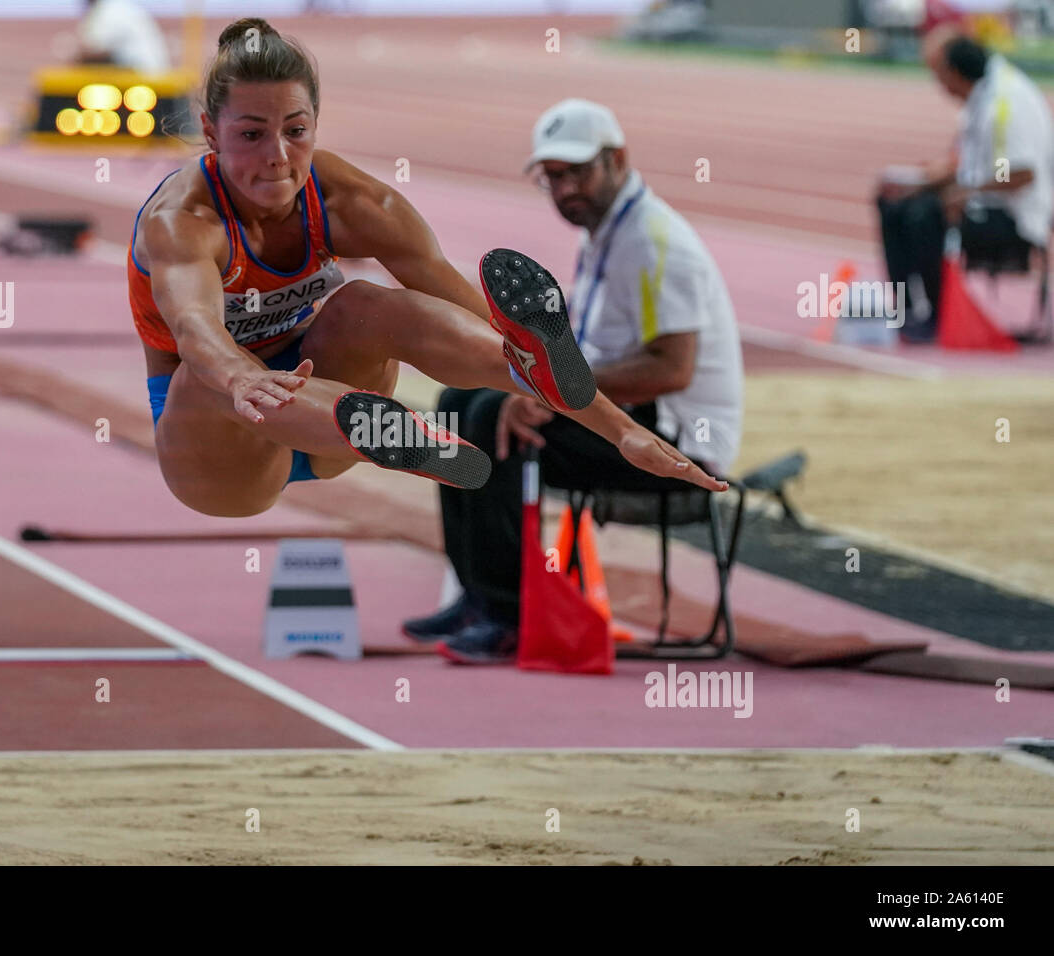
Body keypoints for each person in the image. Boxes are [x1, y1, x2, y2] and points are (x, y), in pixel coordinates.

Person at [129, 20, 726, 519]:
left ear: (315, 124)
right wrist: (240, 376)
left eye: (296, 131)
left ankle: (401, 428)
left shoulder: (352, 203)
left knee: (369, 305)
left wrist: (622, 432)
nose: (278, 157)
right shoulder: (182, 221)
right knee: (205, 376)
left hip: (326, 388)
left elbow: (465, 313)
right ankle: (394, 435)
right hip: (225, 450)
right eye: (251, 135)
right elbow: (196, 331)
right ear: (210, 132)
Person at [403, 98, 744, 665]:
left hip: (679, 441)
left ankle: (506, 611)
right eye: (552, 178)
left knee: (488, 420)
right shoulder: (610, 233)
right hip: (634, 416)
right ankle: (477, 593)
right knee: (457, 400)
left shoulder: (655, 241)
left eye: (576, 173)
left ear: (617, 159)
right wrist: (536, 390)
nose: (564, 191)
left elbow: (671, 368)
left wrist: (548, 398)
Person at [877, 26, 1054, 342]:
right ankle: (905, 311)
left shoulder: (1007, 102)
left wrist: (966, 192)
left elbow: (1021, 173)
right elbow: (971, 164)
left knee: (925, 215)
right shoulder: (981, 96)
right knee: (893, 202)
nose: (939, 86)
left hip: (1014, 218)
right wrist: (920, 182)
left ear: (954, 72)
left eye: (938, 76)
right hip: (984, 202)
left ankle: (936, 313)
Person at [78, 0, 171, 75]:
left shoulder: (110, 9)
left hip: (144, 77)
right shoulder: (120, 6)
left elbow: (94, 52)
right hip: (145, 75)